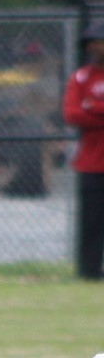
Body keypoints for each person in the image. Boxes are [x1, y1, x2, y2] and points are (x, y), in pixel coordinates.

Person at [63, 21, 104, 281]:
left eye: (99, 42)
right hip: (91, 163)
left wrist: (94, 106)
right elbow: (72, 114)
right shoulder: (79, 78)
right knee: (91, 222)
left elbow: (85, 111)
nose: (95, 47)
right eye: (92, 43)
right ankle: (89, 273)